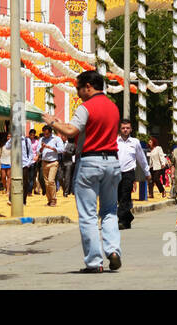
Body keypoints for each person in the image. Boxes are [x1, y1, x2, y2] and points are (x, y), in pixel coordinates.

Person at [44, 69, 123, 271]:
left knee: (88, 214)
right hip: (112, 162)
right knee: (109, 211)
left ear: (88, 87)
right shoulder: (114, 107)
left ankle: (94, 261)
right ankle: (113, 250)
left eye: (78, 88)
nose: (77, 93)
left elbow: (71, 130)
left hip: (90, 162)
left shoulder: (86, 107)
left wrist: (53, 122)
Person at [115, 119, 150, 230]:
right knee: (118, 197)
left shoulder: (135, 142)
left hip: (129, 173)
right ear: (120, 129)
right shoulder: (115, 141)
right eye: (123, 128)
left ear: (131, 129)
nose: (125, 130)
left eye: (127, 128)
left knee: (125, 196)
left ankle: (121, 220)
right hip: (116, 172)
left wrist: (147, 172)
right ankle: (128, 218)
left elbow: (141, 158)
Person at [40, 126, 65, 207]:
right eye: (44, 133)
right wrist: (42, 148)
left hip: (53, 162)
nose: (45, 135)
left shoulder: (56, 139)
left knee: (51, 181)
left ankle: (54, 200)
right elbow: (38, 151)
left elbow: (62, 149)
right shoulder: (42, 139)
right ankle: (49, 200)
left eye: (47, 133)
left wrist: (51, 148)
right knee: (46, 183)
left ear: (50, 132)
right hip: (44, 162)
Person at [0, 131, 12, 199]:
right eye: (8, 136)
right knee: (3, 176)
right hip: (3, 161)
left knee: (9, 176)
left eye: (10, 136)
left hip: (9, 161)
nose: (9, 137)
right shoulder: (2, 144)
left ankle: (8, 190)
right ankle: (5, 187)